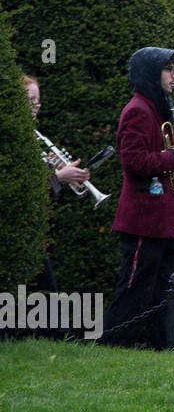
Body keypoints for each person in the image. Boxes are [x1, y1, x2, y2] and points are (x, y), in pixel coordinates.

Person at [102, 48, 174, 348]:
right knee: (134, 287)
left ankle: (161, 346)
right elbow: (134, 163)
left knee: (161, 290)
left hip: (163, 220)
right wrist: (173, 156)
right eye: (169, 69)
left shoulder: (159, 110)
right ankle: (113, 343)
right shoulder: (138, 110)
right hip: (144, 220)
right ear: (152, 74)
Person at [24, 74, 91, 293]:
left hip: (34, 236)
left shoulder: (32, 138)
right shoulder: (17, 140)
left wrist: (60, 174)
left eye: (38, 101)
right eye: (30, 100)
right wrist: (58, 178)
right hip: (22, 235)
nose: (36, 106)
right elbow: (22, 189)